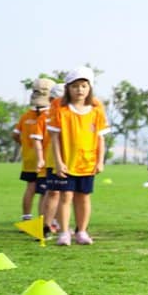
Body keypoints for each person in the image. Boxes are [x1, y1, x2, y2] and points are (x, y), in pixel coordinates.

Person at [46, 67, 110, 245]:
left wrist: (100, 161)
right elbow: (54, 138)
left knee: (83, 197)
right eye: (75, 86)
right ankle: (64, 233)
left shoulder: (97, 107)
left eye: (83, 86)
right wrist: (58, 162)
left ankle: (81, 231)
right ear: (68, 88)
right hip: (66, 162)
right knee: (65, 196)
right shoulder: (59, 107)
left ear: (89, 88)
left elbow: (100, 137)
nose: (79, 90)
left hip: (87, 163)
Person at [15, 78, 54, 223]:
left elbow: (15, 134)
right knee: (45, 192)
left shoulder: (25, 116)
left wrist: (25, 145)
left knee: (30, 188)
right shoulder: (49, 116)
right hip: (45, 161)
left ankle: (26, 217)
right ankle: (44, 221)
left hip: (28, 159)